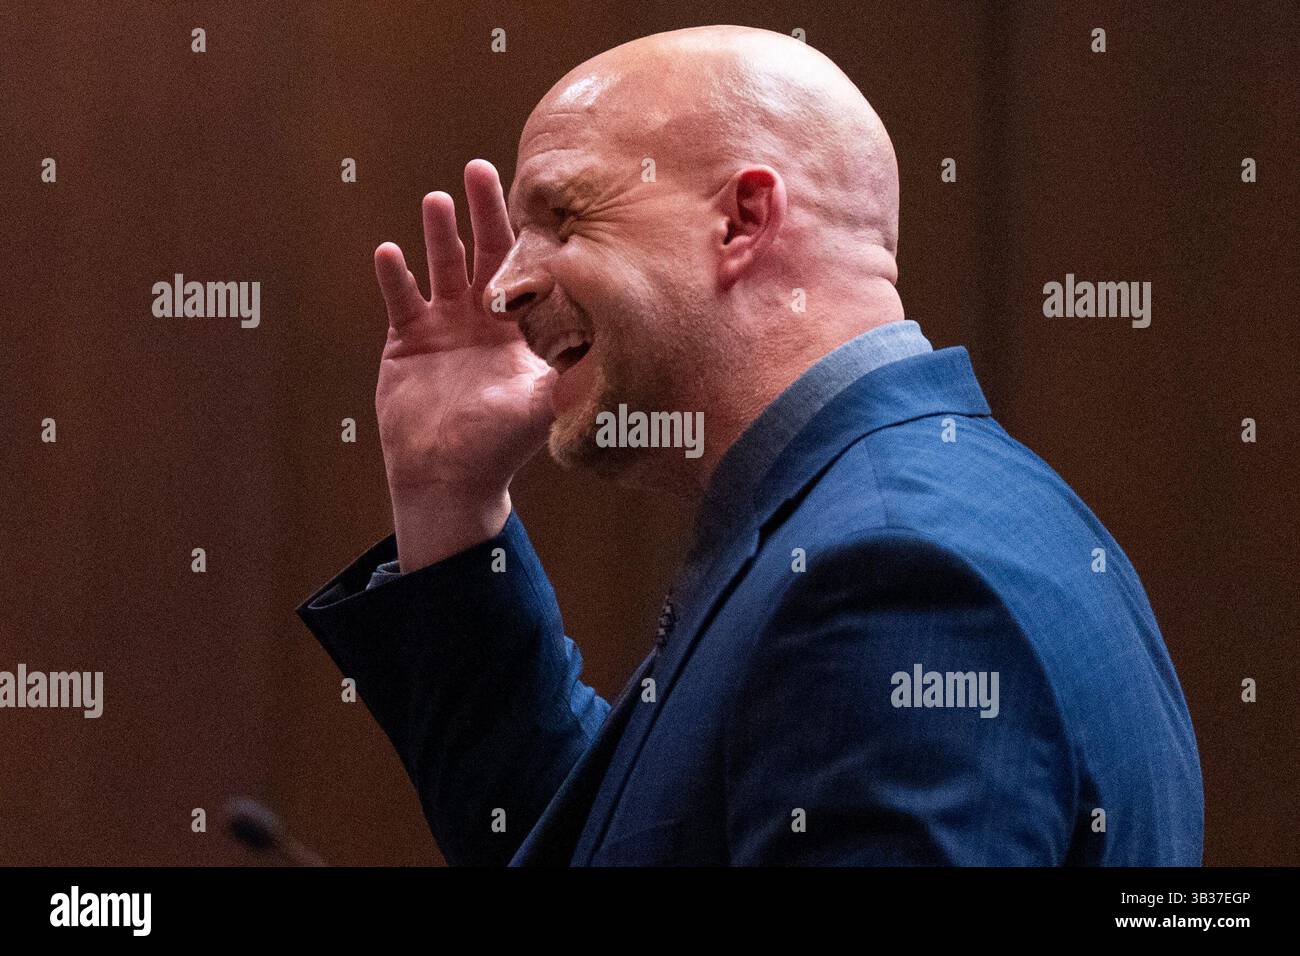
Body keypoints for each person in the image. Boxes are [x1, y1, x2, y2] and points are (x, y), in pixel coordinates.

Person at [297, 25, 1203, 865]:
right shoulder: (917, 506)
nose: (506, 285)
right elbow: (609, 843)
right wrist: (449, 499)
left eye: (564, 218)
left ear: (742, 221)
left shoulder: (892, 578)